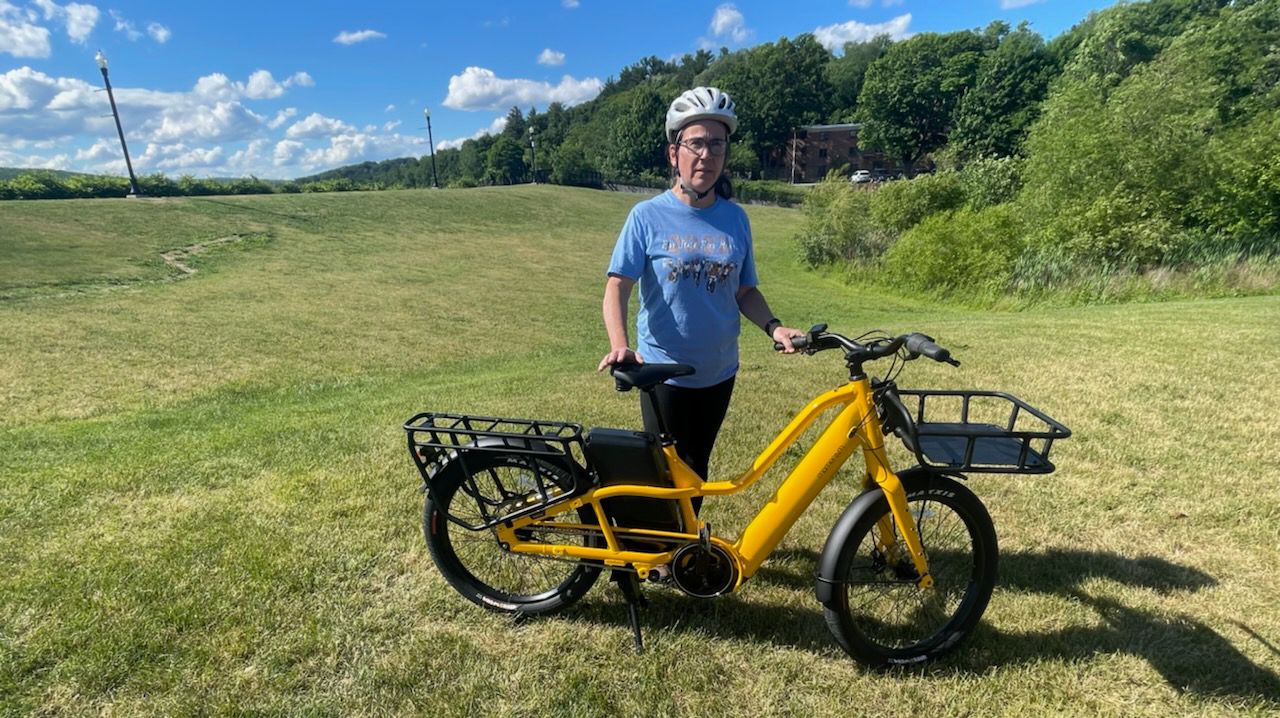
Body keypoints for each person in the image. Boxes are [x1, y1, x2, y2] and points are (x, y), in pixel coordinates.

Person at [597, 86, 805, 496]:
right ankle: (659, 556)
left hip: (719, 372)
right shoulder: (647, 216)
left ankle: (685, 555)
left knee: (698, 469)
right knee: (663, 476)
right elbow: (618, 285)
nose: (706, 155)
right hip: (664, 373)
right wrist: (620, 344)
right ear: (674, 152)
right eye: (696, 143)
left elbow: (745, 291)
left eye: (717, 144)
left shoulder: (736, 219)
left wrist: (774, 327)